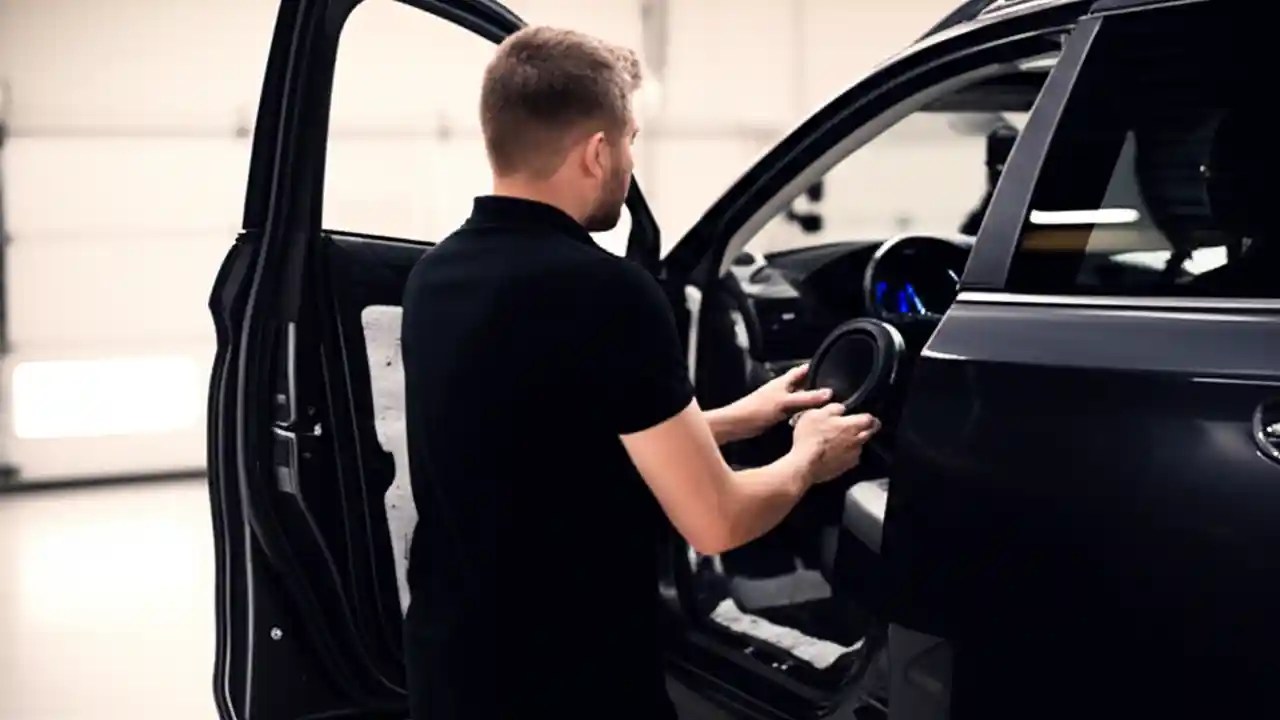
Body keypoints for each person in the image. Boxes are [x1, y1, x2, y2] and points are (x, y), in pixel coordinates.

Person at [398, 26, 881, 719]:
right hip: (575, 686)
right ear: (597, 152)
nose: (628, 161)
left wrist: (746, 415)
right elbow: (717, 521)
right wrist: (808, 460)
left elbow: (554, 441)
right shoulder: (608, 292)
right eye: (628, 140)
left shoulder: (433, 277)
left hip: (454, 674)